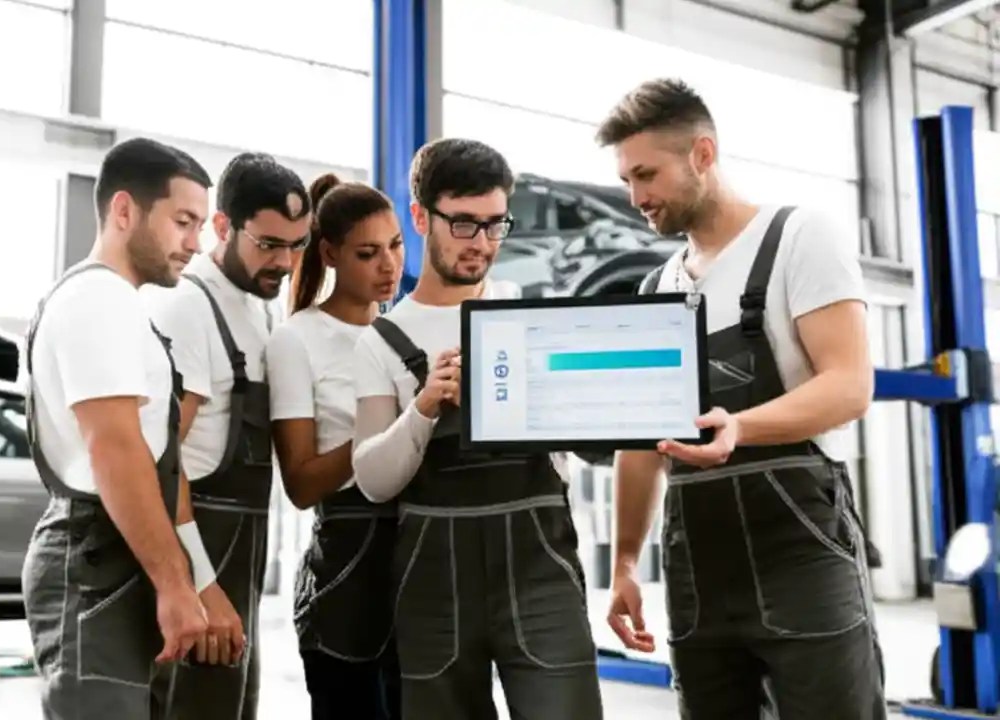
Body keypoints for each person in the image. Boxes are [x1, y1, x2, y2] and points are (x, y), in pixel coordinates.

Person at [596, 78, 885, 720]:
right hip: (696, 563)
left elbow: (848, 384)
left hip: (800, 547)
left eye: (647, 174)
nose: (636, 197)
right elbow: (641, 443)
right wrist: (623, 565)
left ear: (702, 154)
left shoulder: (800, 238)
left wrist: (740, 428)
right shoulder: (654, 290)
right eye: (626, 180)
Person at [349, 137, 604, 719]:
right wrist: (424, 408)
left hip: (540, 565)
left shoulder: (539, 320)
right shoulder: (382, 341)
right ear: (420, 216)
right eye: (464, 225)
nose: (483, 244)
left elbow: (598, 443)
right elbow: (372, 480)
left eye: (495, 225)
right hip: (434, 580)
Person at [20, 137, 220, 718]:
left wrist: (185, 579)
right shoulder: (96, 300)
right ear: (125, 211)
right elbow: (115, 450)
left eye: (200, 225)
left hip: (118, 562)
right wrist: (177, 585)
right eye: (183, 221)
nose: (195, 243)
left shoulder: (117, 303)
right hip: (95, 566)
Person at [150, 151, 313, 719]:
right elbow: (160, 464)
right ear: (222, 226)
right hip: (198, 570)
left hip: (238, 570)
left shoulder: (259, 309)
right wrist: (201, 584)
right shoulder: (187, 307)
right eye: (269, 244)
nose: (285, 262)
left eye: (297, 245)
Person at [266, 173, 405, 719]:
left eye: (395, 246)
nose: (389, 265)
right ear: (329, 253)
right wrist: (390, 431)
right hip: (346, 572)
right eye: (368, 253)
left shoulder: (402, 334)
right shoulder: (296, 339)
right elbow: (300, 483)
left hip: (417, 564)